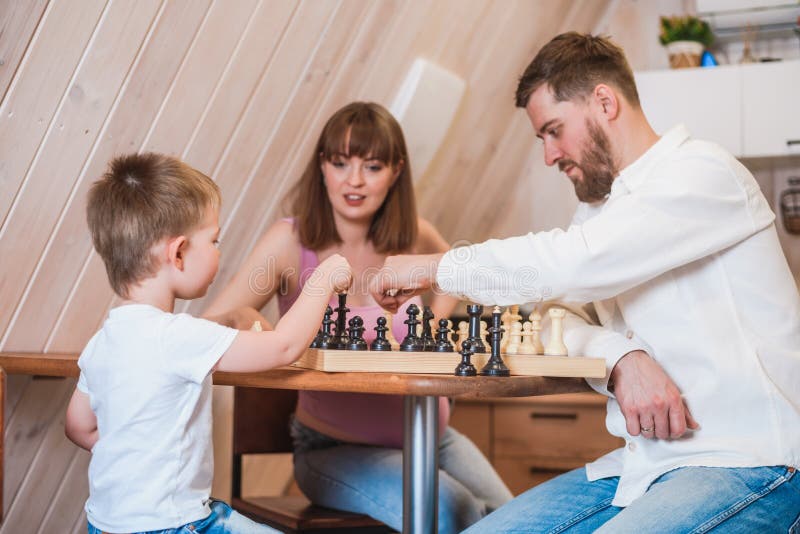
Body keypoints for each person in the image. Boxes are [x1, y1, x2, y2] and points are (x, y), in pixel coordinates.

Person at [371, 32, 800, 533]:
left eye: (554, 131)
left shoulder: (702, 172)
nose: (549, 156)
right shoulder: (599, 210)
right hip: (643, 469)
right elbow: (558, 312)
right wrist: (620, 357)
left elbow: (570, 265)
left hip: (754, 462)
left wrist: (433, 267)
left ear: (604, 101)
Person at [204, 101, 513, 533]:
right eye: (340, 162)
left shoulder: (415, 234)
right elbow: (216, 317)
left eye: (371, 166)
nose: (353, 180)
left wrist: (434, 323)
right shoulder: (289, 242)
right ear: (322, 167)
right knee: (451, 511)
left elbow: (455, 275)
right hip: (331, 449)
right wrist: (257, 326)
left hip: (431, 438)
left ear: (396, 172)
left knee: (518, 518)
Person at [64, 153, 352, 534]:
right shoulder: (180, 336)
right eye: (214, 241)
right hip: (173, 525)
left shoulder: (102, 343)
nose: (218, 251)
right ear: (178, 252)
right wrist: (324, 277)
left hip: (104, 524)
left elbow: (78, 427)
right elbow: (283, 347)